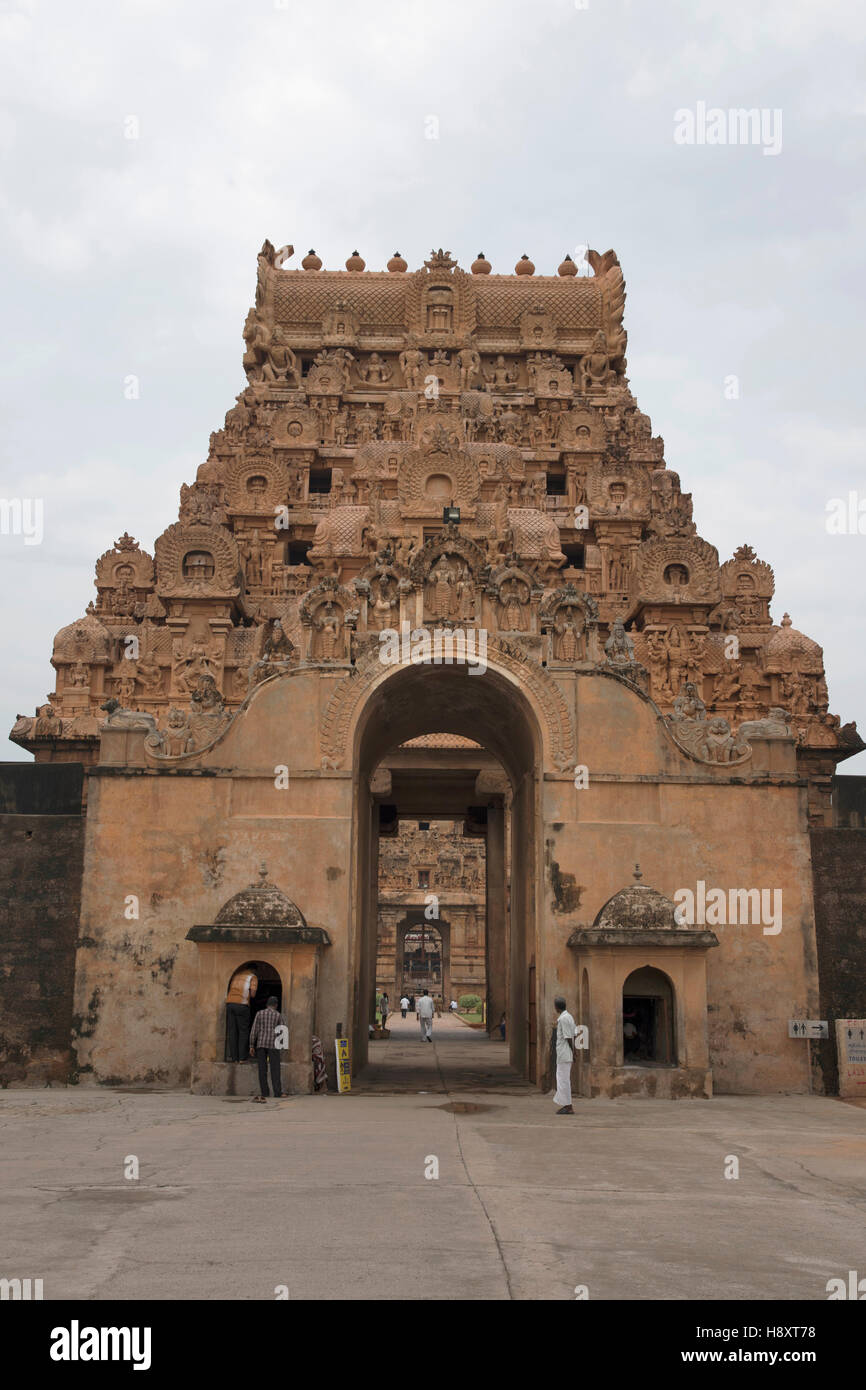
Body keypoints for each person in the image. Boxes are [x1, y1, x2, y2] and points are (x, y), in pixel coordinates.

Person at [249, 995, 287, 1102]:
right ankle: (277, 1092)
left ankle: (265, 1092)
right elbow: (282, 1031)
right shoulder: (278, 1015)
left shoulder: (259, 1014)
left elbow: (254, 1030)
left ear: (267, 1004)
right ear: (276, 1005)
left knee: (262, 1069)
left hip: (261, 1044)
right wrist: (282, 1045)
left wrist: (251, 1045)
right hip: (273, 1045)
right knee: (275, 1069)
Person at [225, 963, 258, 1062]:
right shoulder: (253, 976)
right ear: (254, 970)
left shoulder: (236, 975)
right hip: (242, 1005)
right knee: (243, 1031)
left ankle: (234, 1058)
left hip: (230, 1004)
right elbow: (252, 994)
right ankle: (242, 1058)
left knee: (232, 1031)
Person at [553, 995, 576, 1115]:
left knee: (563, 1080)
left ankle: (568, 1106)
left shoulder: (563, 1019)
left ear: (556, 1007)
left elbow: (568, 1037)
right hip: (566, 1054)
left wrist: (573, 1051)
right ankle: (566, 1104)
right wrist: (574, 1052)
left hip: (564, 1053)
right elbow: (575, 1034)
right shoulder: (569, 1017)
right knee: (563, 1079)